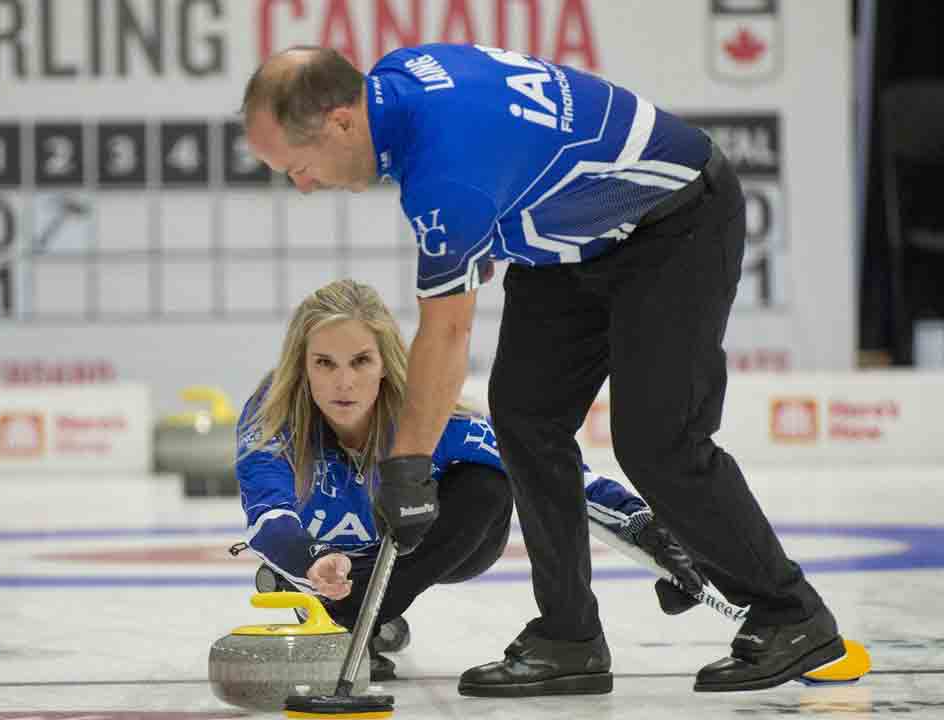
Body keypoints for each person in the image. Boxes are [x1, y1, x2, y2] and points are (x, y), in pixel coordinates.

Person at [240, 45, 845, 696]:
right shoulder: (394, 86)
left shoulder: (446, 174)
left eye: (298, 168)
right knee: (526, 418)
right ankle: (568, 638)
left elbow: (446, 333)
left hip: (673, 222)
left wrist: (407, 466)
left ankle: (792, 615)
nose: (301, 186)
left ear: (338, 123)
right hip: (565, 237)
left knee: (658, 441)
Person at [235, 278, 701, 683]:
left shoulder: (426, 417)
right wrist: (310, 561)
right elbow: (267, 515)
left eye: (360, 361)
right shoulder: (273, 417)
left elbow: (555, 474)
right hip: (323, 559)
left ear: (384, 364)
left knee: (489, 483)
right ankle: (352, 607)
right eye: (325, 364)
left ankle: (359, 615)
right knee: (297, 555)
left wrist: (649, 531)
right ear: (302, 365)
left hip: (415, 552)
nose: (344, 384)